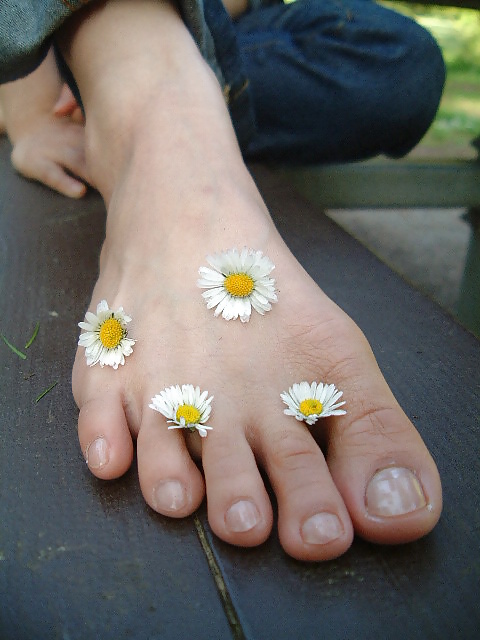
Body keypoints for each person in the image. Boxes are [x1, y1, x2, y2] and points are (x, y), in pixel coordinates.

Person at [0, 0, 444, 562]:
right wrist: (27, 111)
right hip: (49, 53)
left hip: (222, 23)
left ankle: (148, 91)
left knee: (401, 66)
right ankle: (155, 109)